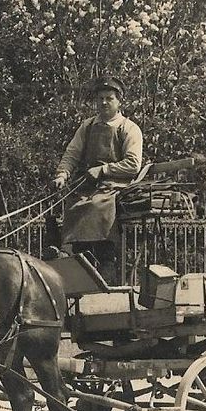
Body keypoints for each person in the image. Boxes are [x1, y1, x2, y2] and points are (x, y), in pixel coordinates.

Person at [52, 75, 143, 285]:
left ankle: (105, 262)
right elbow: (72, 153)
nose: (103, 103)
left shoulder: (128, 128)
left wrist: (103, 170)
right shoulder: (88, 126)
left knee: (96, 205)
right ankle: (77, 259)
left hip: (115, 186)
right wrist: (62, 174)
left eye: (109, 98)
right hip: (88, 186)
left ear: (119, 101)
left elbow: (133, 164)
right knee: (73, 205)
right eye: (100, 98)